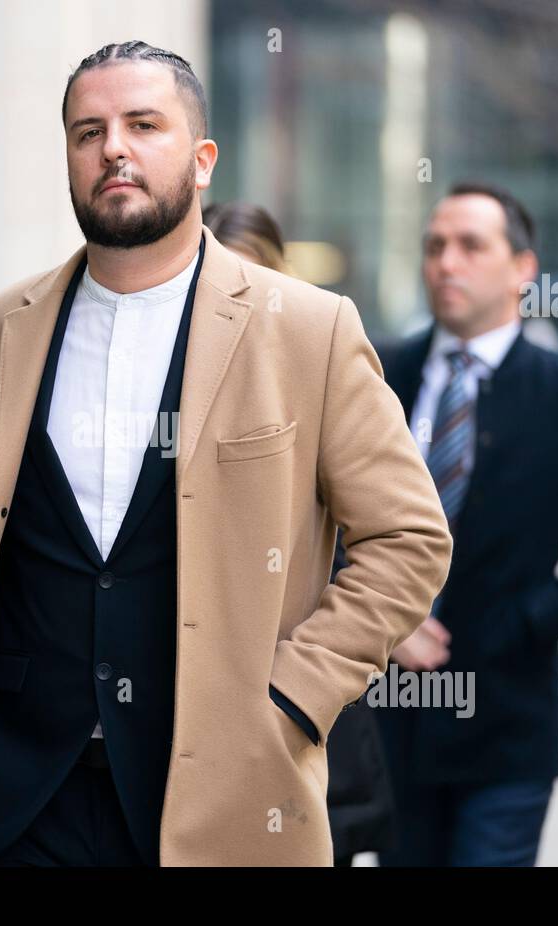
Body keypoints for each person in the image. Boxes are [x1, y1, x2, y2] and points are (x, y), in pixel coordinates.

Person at [0, 41, 452, 867]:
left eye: (142, 124)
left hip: (213, 803)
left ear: (203, 160)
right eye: (87, 132)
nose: (114, 149)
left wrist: (294, 696)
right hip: (11, 799)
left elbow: (409, 541)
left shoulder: (309, 331)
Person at [370, 182, 558, 866]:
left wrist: (528, 619)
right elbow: (321, 522)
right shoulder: (378, 374)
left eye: (472, 245)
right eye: (436, 246)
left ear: (522, 269)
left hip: (507, 725)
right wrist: (379, 617)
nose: (448, 262)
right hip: (386, 723)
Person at [204, 199, 399, 866]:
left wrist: (292, 693)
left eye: (251, 278)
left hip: (293, 711)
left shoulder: (317, 355)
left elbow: (393, 536)